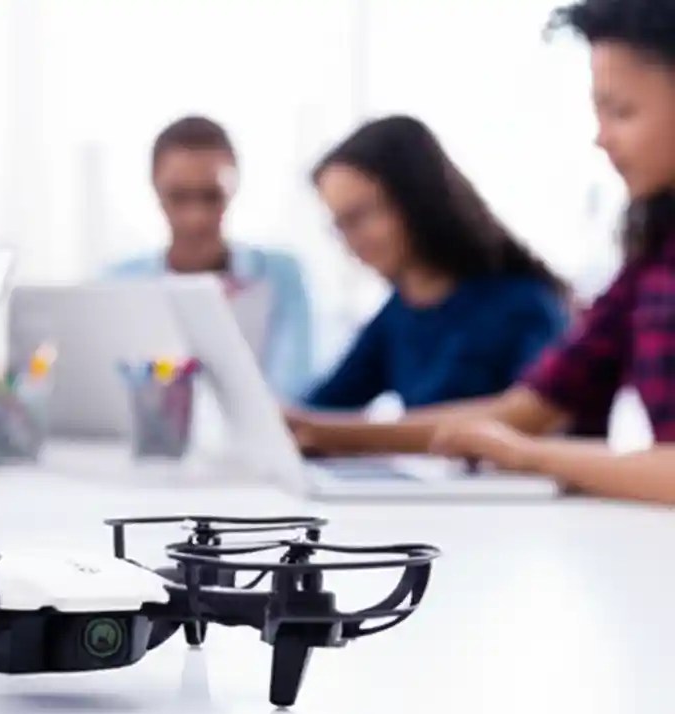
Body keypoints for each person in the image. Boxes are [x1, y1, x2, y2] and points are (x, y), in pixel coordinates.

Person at [292, 0, 675, 506]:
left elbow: (531, 433)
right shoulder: (650, 264)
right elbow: (527, 408)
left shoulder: (520, 304)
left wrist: (529, 455)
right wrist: (317, 430)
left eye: (622, 111)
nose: (601, 138)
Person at [303, 115, 570, 411]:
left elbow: (525, 421)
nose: (351, 240)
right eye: (340, 225)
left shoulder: (524, 306)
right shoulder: (398, 314)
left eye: (360, 217)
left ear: (414, 198)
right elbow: (322, 406)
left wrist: (333, 434)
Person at [109, 116, 314, 399]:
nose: (196, 218)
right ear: (155, 187)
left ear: (234, 187)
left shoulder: (281, 276)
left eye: (211, 196)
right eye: (179, 196)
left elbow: (290, 389)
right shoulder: (117, 283)